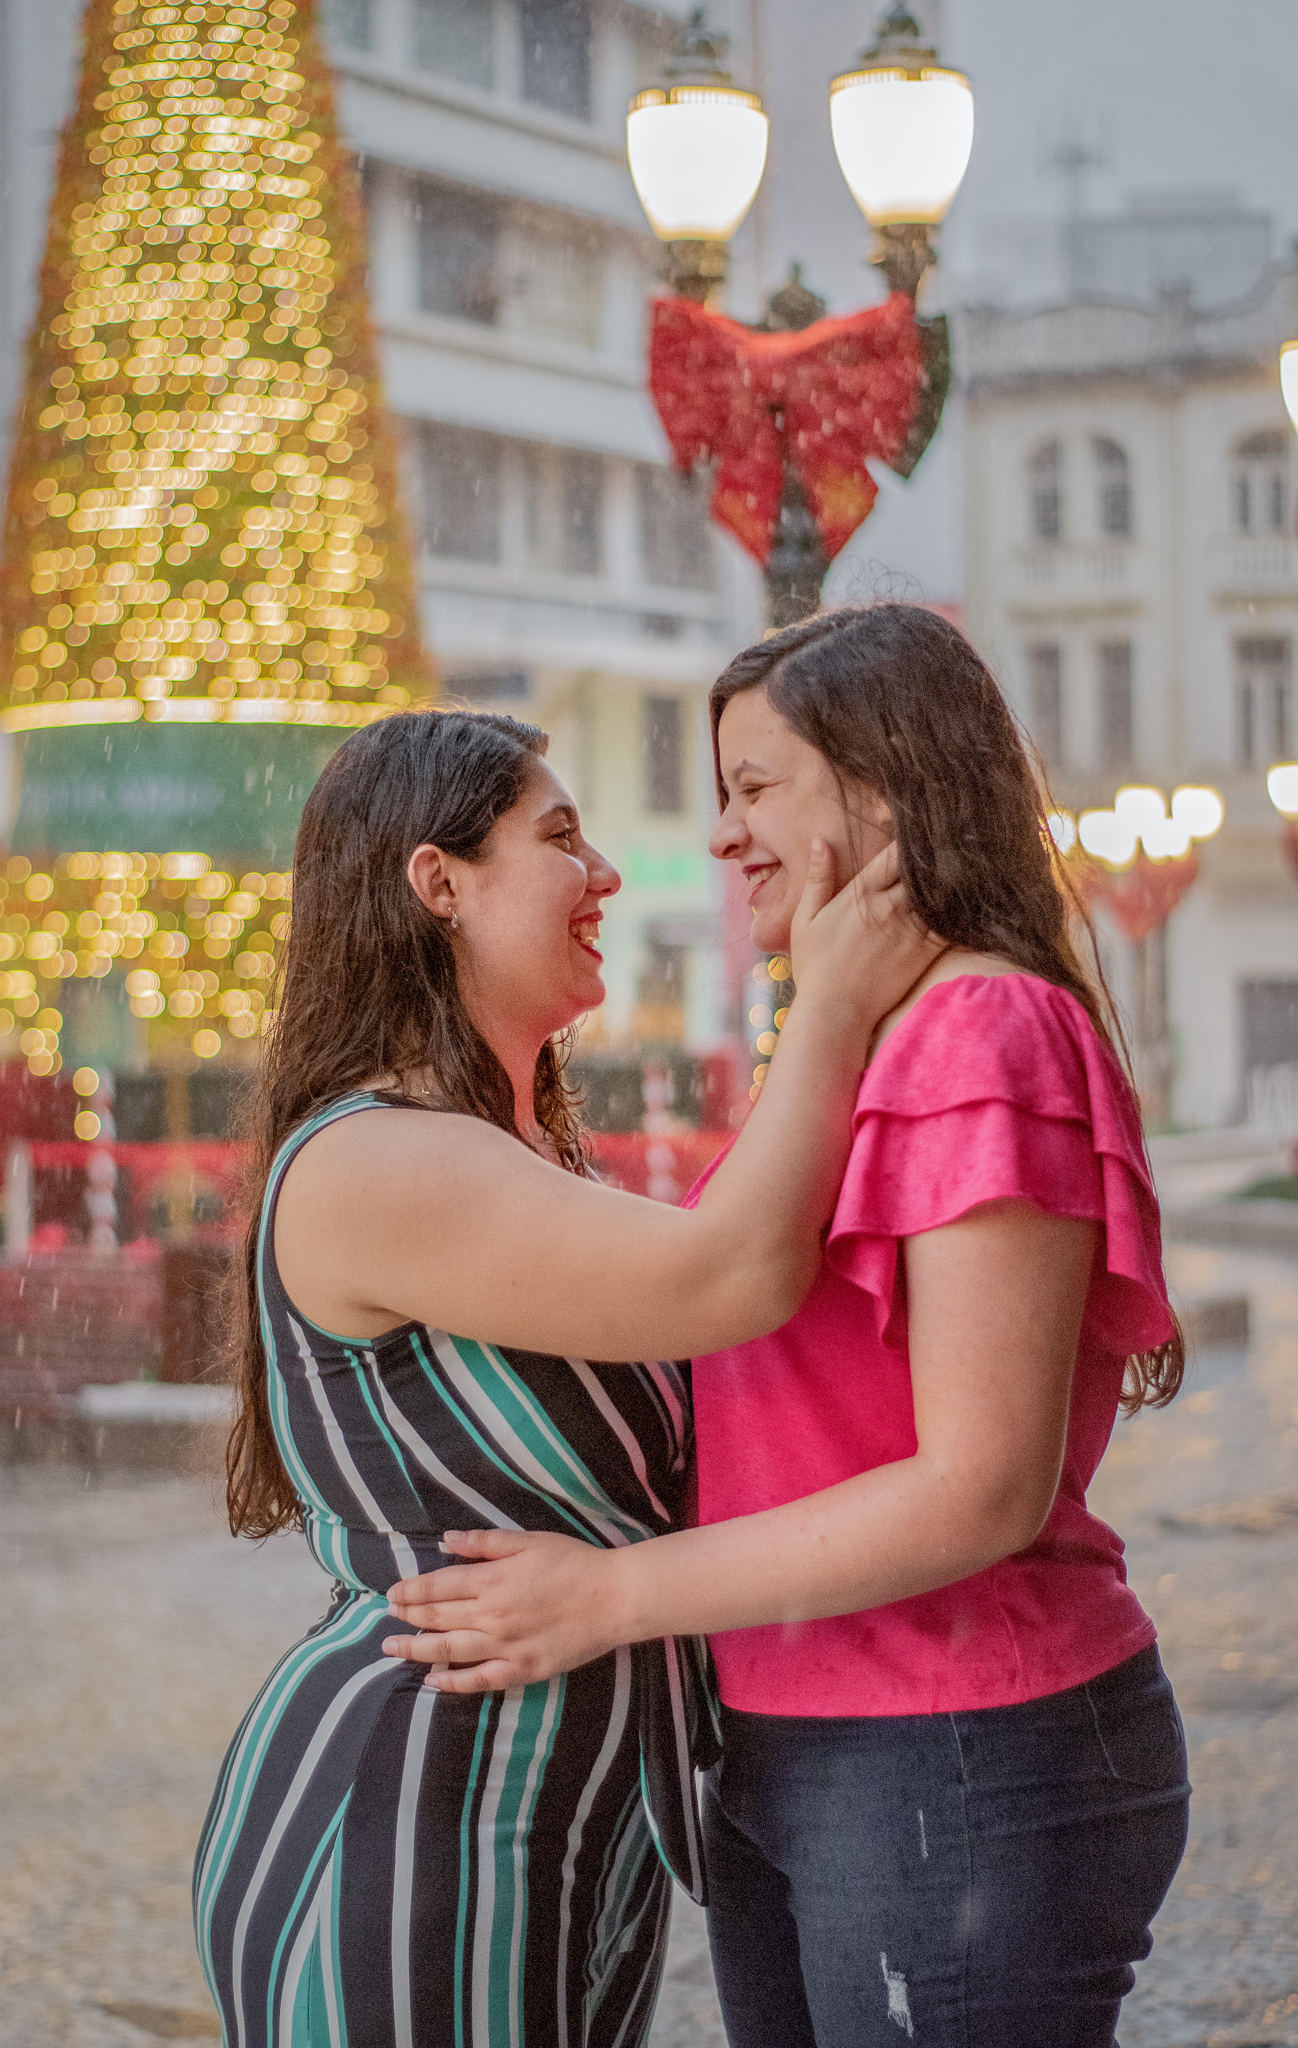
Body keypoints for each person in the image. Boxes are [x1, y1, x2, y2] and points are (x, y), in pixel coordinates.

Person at [382, 608, 1192, 2048]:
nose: (721, 836)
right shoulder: (866, 1030)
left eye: (757, 789)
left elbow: (983, 1483)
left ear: (885, 788)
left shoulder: (976, 1026)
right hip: (808, 1732)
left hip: (952, 1738)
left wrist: (606, 1597)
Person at [193, 705, 938, 2048]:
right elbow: (732, 1279)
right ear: (438, 884)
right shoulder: (378, 1157)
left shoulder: (510, 1150)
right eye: (559, 839)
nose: (603, 876)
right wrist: (825, 1003)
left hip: (550, 1811)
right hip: (423, 1808)